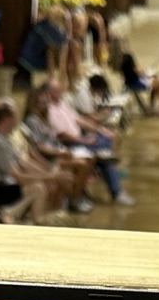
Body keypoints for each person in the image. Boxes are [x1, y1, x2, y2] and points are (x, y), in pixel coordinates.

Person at [42, 76, 130, 205]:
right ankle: (116, 191)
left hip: (80, 138)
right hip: (70, 143)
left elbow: (79, 120)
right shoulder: (49, 110)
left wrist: (100, 130)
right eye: (56, 91)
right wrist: (84, 141)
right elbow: (62, 135)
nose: (60, 93)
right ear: (48, 93)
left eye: (60, 90)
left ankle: (108, 162)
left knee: (107, 139)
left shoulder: (62, 104)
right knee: (103, 156)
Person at [119, 49, 159, 116]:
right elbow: (140, 72)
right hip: (137, 82)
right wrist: (149, 73)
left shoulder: (122, 60)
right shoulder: (129, 58)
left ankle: (151, 108)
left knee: (155, 85)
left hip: (130, 82)